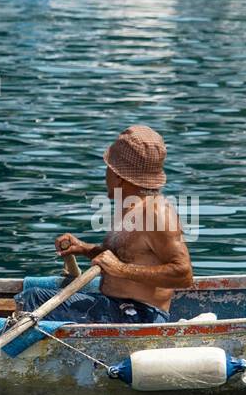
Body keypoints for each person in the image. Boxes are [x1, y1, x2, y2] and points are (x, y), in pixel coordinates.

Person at [15, 125, 193, 324]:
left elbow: (183, 274)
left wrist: (120, 269)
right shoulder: (130, 208)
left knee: (33, 298)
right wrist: (84, 249)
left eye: (108, 168)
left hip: (141, 316)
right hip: (115, 306)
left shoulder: (157, 214)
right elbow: (126, 257)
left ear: (118, 176)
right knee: (34, 296)